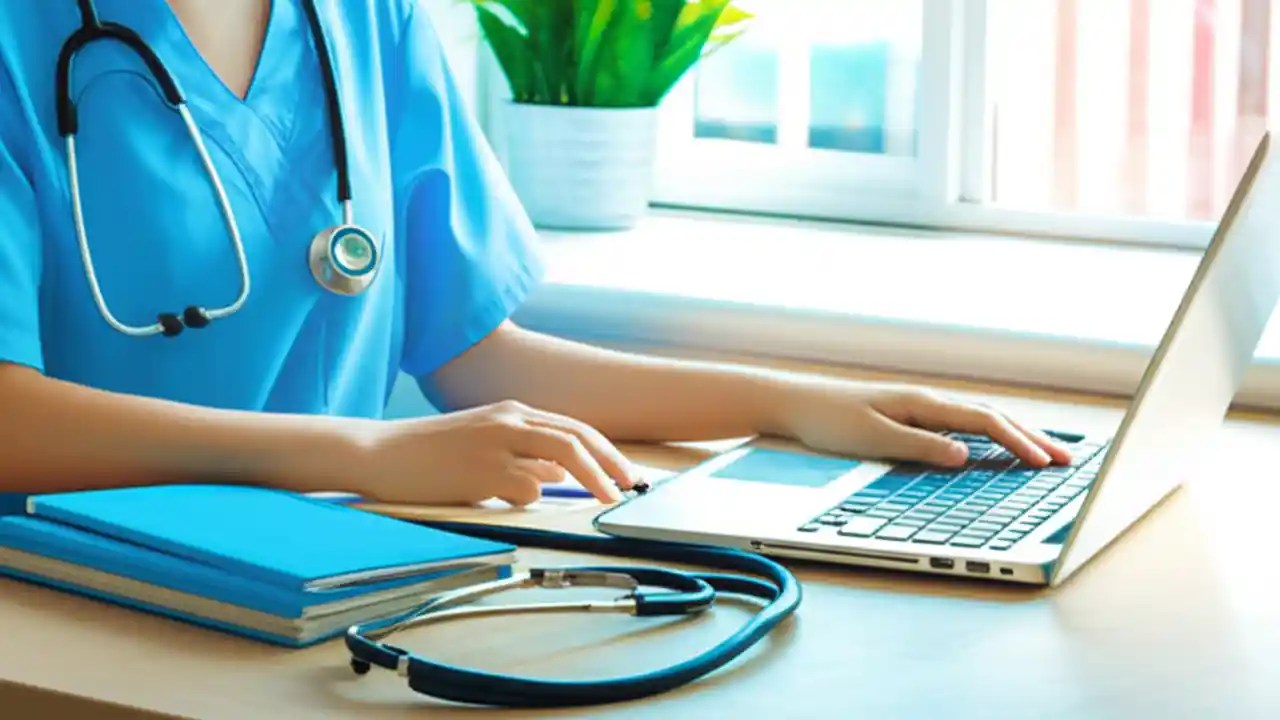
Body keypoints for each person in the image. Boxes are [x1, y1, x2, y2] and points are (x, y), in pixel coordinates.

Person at [0, 0, 1070, 507]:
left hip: (330, 576)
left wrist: (789, 405)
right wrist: (359, 454)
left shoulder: (364, 18)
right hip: (78, 591)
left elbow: (473, 353)